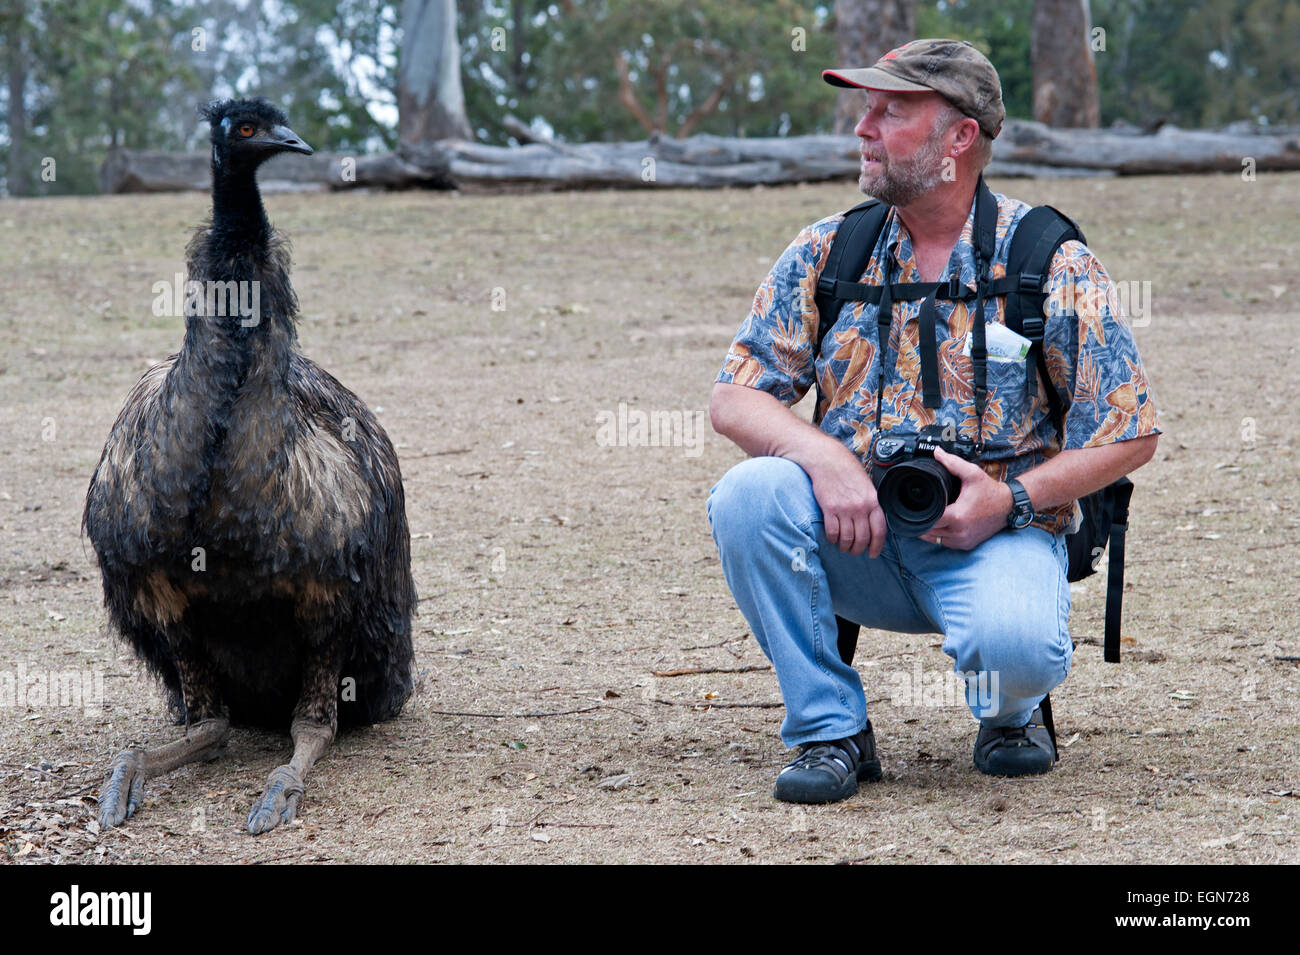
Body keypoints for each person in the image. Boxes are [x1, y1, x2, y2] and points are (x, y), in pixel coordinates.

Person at [706, 38, 1161, 804]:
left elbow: (1132, 431)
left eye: (892, 110)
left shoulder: (1049, 259)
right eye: (866, 107)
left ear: (960, 138)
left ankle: (1014, 713)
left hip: (1000, 536)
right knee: (749, 495)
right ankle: (829, 728)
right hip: (862, 538)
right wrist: (827, 461)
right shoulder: (828, 250)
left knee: (1016, 647)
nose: (863, 127)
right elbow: (735, 396)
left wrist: (1008, 500)